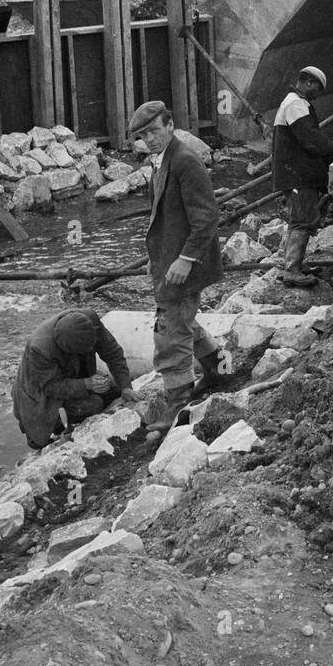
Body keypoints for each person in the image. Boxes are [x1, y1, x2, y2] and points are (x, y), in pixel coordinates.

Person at [128, 100, 224, 431]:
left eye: (154, 130)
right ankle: (216, 368)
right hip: (169, 262)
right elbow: (164, 220)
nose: (150, 139)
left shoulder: (184, 161)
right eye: (143, 135)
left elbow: (207, 217)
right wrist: (157, 261)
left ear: (170, 125)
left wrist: (185, 259)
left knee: (169, 333)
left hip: (184, 264)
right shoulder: (162, 162)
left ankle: (179, 405)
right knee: (183, 319)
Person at [13, 308, 131, 450]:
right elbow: (51, 387)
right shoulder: (39, 348)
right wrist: (86, 384)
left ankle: (73, 422)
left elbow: (113, 353)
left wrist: (126, 387)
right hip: (39, 388)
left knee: (113, 393)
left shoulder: (89, 322)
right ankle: (54, 427)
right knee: (92, 405)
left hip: (71, 371)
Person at [272, 65, 333, 285]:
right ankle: (292, 270)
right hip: (296, 175)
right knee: (302, 220)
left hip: (295, 174)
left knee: (300, 219)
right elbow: (309, 138)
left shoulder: (296, 102)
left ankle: (295, 264)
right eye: (317, 89)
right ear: (308, 82)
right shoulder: (295, 104)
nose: (318, 94)